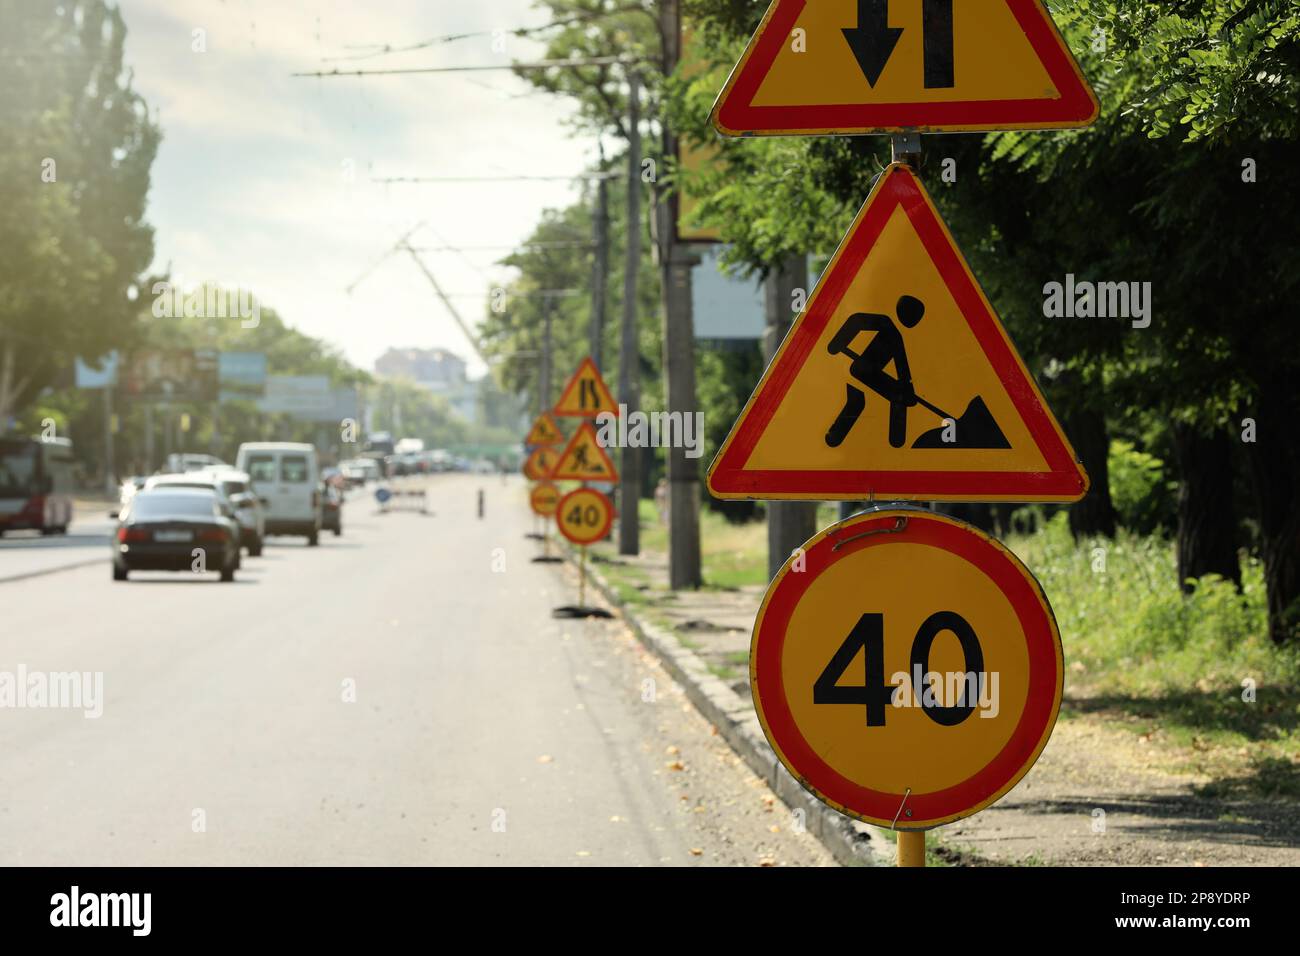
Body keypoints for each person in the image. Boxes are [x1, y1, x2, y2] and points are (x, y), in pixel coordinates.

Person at [824, 295, 925, 449]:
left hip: (870, 373)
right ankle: (835, 437)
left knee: (890, 396)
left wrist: (906, 385)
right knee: (859, 402)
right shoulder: (886, 324)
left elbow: (901, 364)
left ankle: (896, 438)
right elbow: (856, 321)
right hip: (861, 369)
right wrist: (836, 343)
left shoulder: (896, 335)